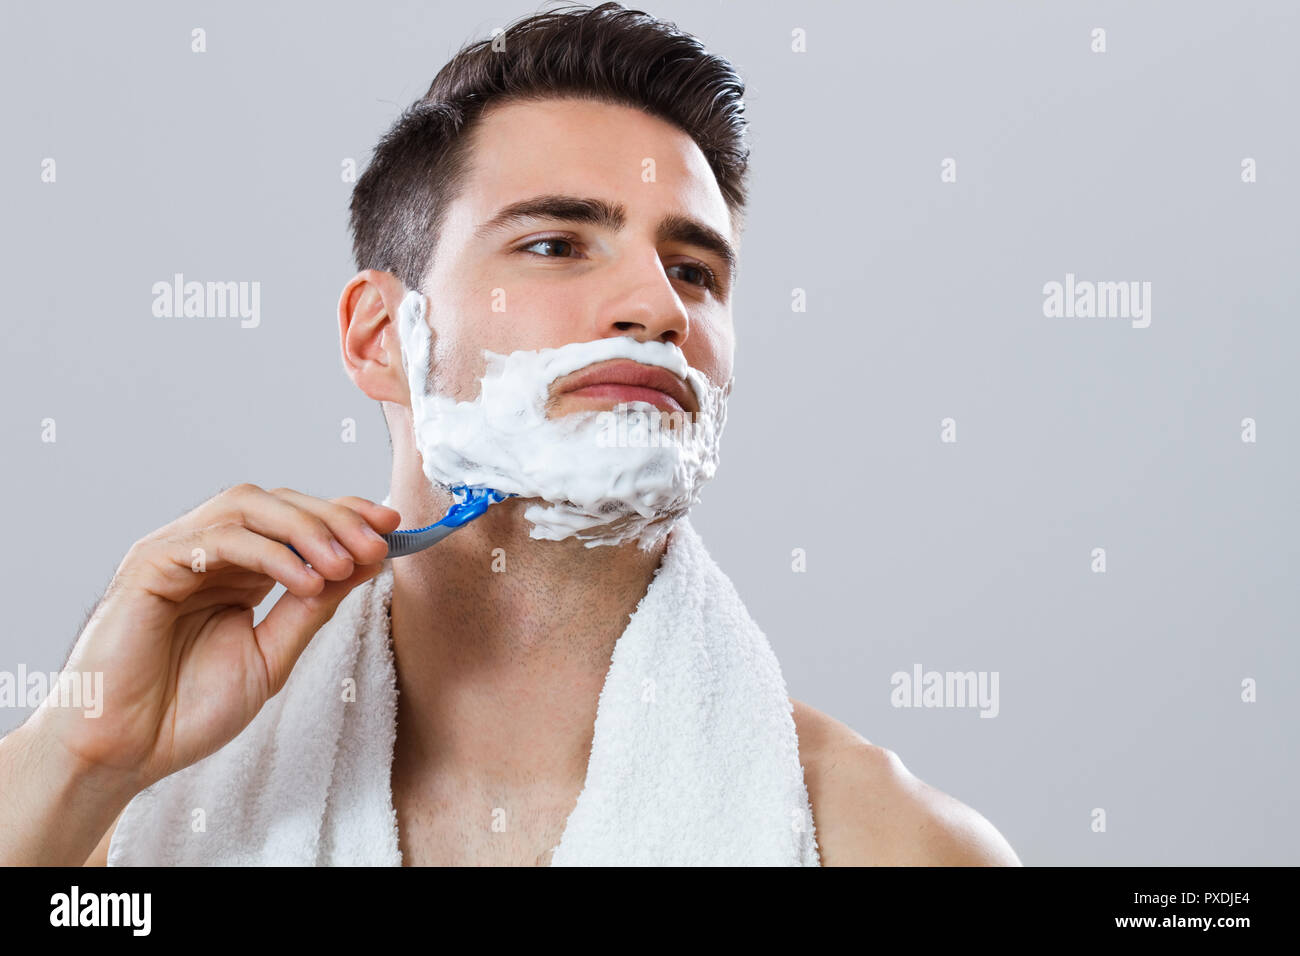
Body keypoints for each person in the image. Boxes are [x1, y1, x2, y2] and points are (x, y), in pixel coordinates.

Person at [0, 2, 1019, 867]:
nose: (655, 304)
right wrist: (77, 754)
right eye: (555, 243)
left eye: (695, 270)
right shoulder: (122, 819)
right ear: (378, 336)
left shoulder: (886, 842)